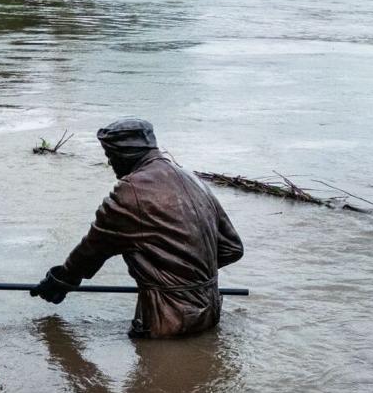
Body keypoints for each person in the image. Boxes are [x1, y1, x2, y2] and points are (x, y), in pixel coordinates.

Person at [31, 118, 243, 338]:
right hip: (210, 311)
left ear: (125, 153)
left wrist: (59, 281)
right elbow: (232, 248)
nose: (111, 165)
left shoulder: (129, 193)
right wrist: (191, 277)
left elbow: (93, 249)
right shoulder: (192, 179)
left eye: (110, 156)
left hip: (168, 321)